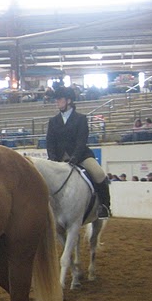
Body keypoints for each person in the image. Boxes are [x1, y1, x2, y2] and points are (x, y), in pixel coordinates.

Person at [46, 86, 111, 218]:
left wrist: (75, 157)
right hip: (58, 159)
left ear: (68, 100)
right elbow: (50, 142)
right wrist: (52, 158)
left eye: (59, 99)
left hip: (80, 156)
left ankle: (104, 206)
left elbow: (82, 141)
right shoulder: (53, 121)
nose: (57, 102)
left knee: (99, 174)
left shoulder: (81, 119)